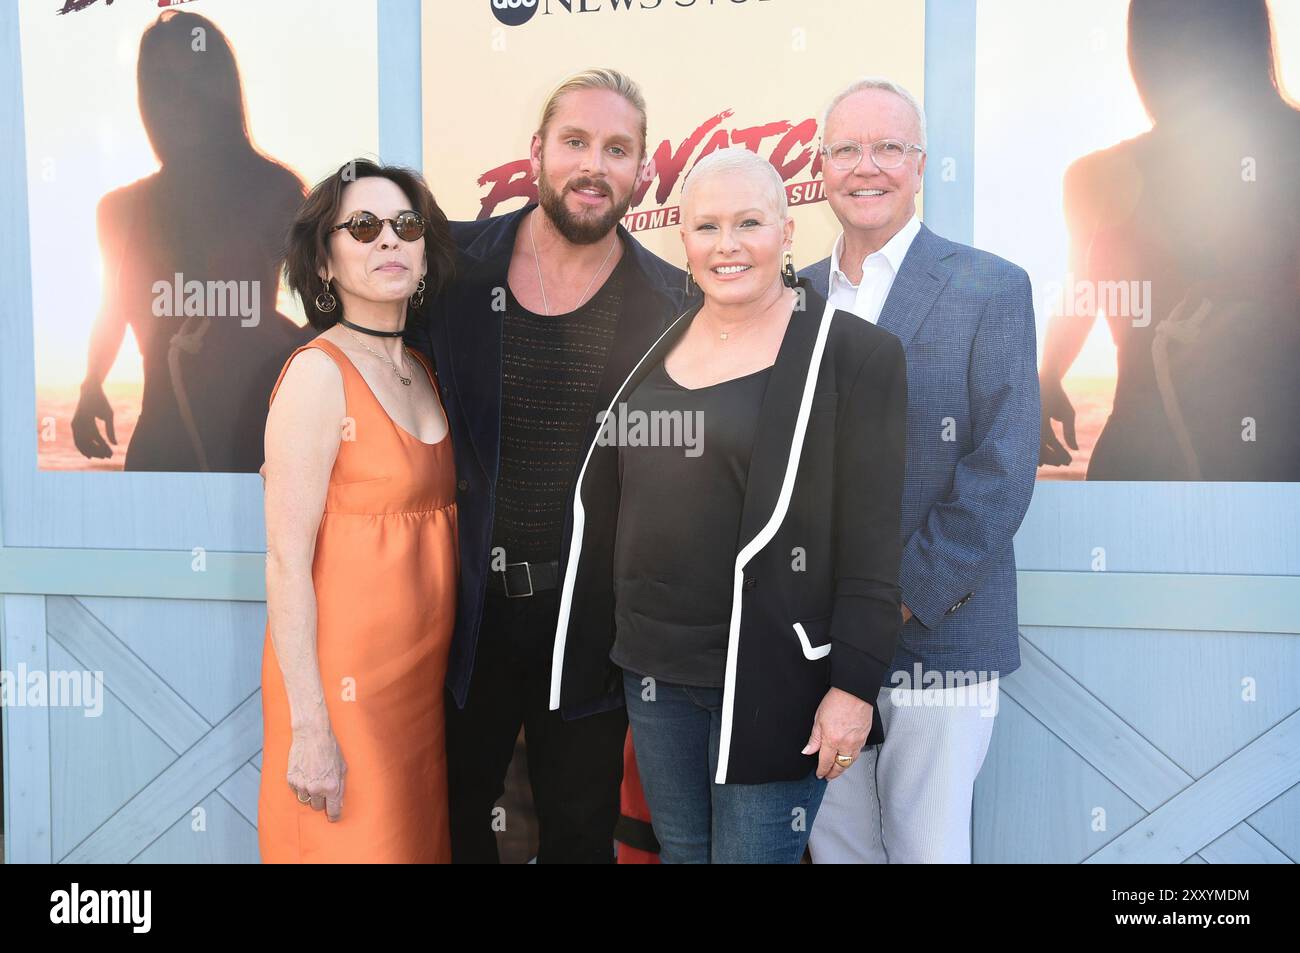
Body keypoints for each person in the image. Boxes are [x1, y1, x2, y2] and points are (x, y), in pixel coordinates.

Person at [549, 147, 908, 863]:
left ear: (785, 233)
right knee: (682, 855)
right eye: (707, 227)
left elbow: (871, 548)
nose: (728, 244)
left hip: (774, 682)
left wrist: (853, 689)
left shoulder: (855, 356)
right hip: (654, 675)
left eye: (749, 222)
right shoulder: (651, 349)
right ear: (683, 241)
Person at [405, 68, 689, 863]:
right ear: (537, 152)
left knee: (578, 829)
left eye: (617, 148)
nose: (593, 164)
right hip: (464, 612)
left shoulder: (673, 305)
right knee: (455, 817)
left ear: (642, 170)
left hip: (591, 623)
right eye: (575, 142)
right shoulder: (450, 265)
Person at [800, 78, 1039, 863]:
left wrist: (892, 603)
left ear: (921, 163)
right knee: (837, 854)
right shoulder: (789, 298)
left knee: (927, 852)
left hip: (940, 637)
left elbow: (1001, 471)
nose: (867, 166)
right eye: (846, 149)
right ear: (821, 165)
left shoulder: (990, 287)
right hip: (814, 645)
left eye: (888, 147)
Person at [258, 160, 458, 862]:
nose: (389, 241)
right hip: (344, 703)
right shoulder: (318, 375)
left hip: (419, 702)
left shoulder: (424, 370)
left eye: (406, 226)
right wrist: (310, 725)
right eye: (364, 227)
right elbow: (286, 560)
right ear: (325, 261)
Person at [1039, 0, 1300, 481]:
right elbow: (1084, 291)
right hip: (1274, 454)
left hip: (1144, 455)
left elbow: (1084, 291)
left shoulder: (1097, 177)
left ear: (1142, 48)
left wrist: (1049, 374)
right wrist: (1047, 374)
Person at [73, 9, 310, 472]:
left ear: (221, 88)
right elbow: (113, 308)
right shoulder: (119, 209)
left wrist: (279, 350)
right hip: (161, 446)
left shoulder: (274, 192)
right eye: (162, 83)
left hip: (258, 449)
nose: (179, 99)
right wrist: (90, 386)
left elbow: (331, 307)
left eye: (194, 80)